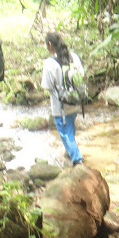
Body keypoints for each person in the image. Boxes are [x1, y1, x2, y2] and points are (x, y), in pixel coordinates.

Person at [41, 31, 84, 166]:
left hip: (60, 106)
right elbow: (81, 75)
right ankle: (71, 151)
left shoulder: (49, 63)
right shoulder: (73, 57)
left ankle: (77, 160)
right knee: (70, 127)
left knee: (65, 133)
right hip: (75, 102)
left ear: (49, 45)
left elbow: (47, 86)